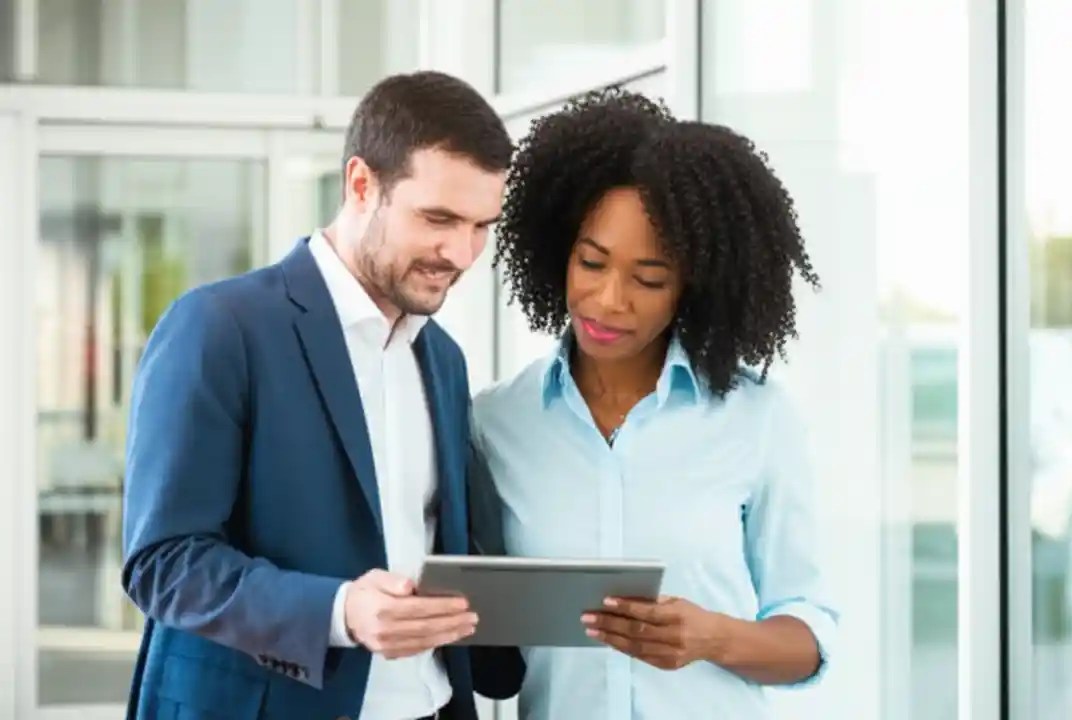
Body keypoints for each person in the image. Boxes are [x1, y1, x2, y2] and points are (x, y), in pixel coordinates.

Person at [121, 71, 524, 720]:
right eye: (438, 218)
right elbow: (164, 562)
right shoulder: (222, 328)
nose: (462, 252)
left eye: (482, 225)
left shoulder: (442, 357)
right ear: (362, 185)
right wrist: (341, 611)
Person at [469, 88, 838, 719]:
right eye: (591, 262)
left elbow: (808, 638)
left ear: (692, 288)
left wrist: (714, 637)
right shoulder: (494, 424)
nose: (610, 300)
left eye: (649, 279)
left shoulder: (757, 419)